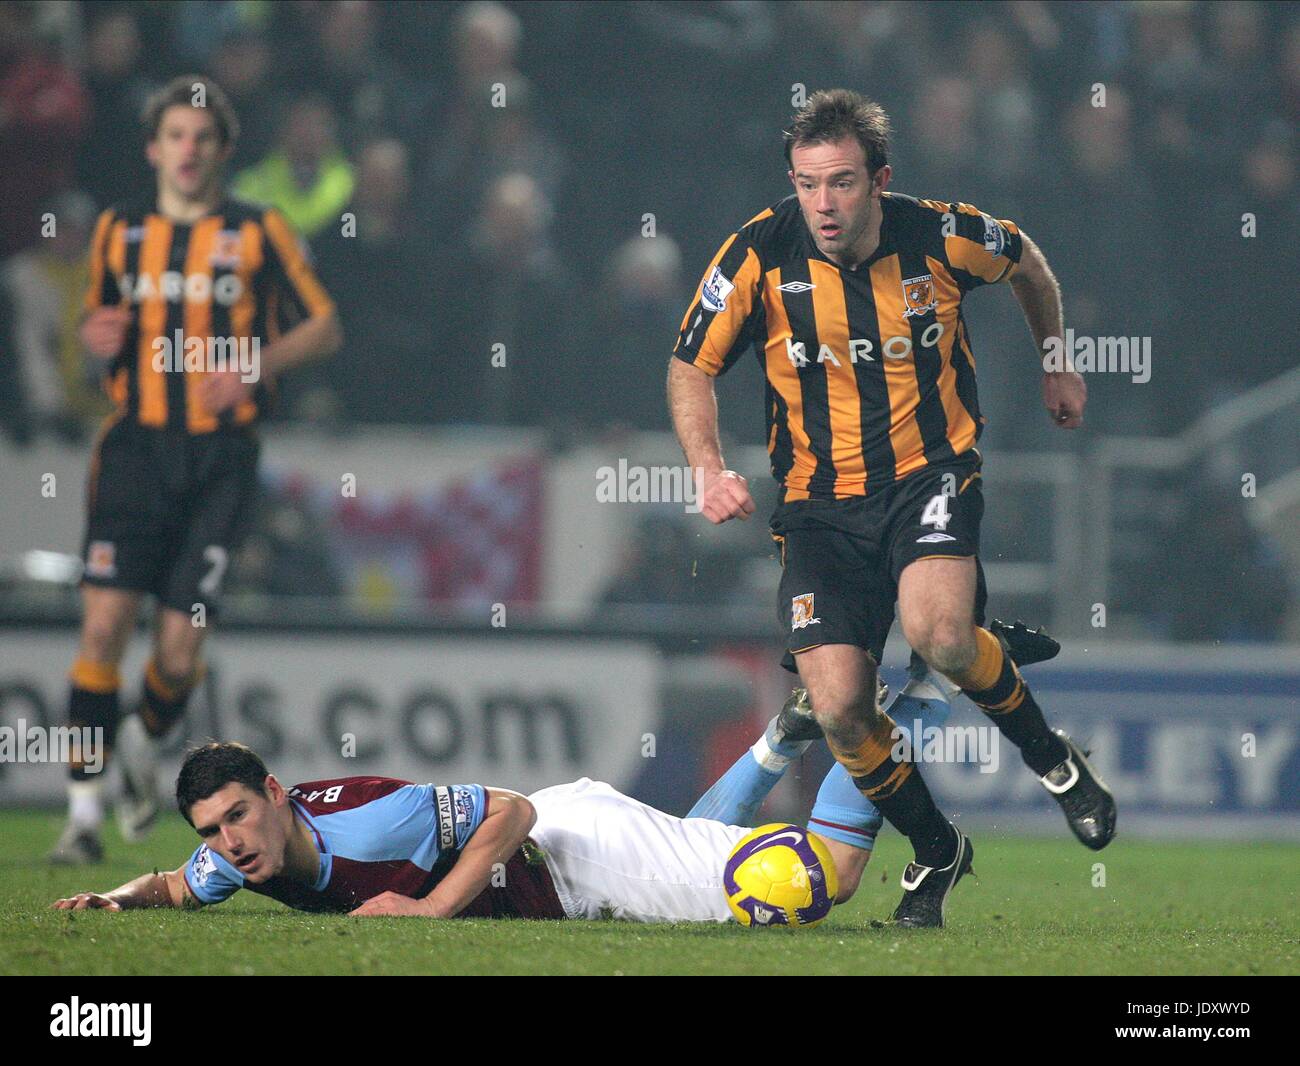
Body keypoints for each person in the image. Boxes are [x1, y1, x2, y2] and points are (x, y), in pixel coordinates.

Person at [666, 88, 1115, 927]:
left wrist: (1058, 360)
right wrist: (706, 466)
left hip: (928, 475)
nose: (823, 205)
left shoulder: (941, 234)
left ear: (880, 180)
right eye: (807, 183)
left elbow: (1029, 265)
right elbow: (690, 365)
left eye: (840, 183)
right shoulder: (757, 254)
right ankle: (940, 849)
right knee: (837, 706)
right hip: (814, 509)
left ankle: (1055, 763)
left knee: (940, 634)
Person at [49, 660, 961, 923]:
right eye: (213, 831)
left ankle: (912, 690)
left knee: (816, 884)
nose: (230, 841)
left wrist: (430, 908)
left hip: (570, 858)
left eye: (239, 815)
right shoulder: (235, 862)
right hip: (574, 847)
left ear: (277, 794)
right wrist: (114, 898)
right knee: (691, 849)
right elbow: (172, 885)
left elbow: (510, 811)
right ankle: (783, 738)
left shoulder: (370, 815)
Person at [50, 76, 343, 865]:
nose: (188, 150)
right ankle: (82, 815)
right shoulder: (119, 230)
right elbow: (98, 321)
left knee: (179, 649)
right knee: (104, 625)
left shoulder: (259, 230)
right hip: (137, 450)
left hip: (220, 458)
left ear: (222, 151)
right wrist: (94, 335)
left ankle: (144, 744)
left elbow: (324, 325)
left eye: (203, 138)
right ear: (154, 147)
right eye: (175, 135)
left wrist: (254, 362)